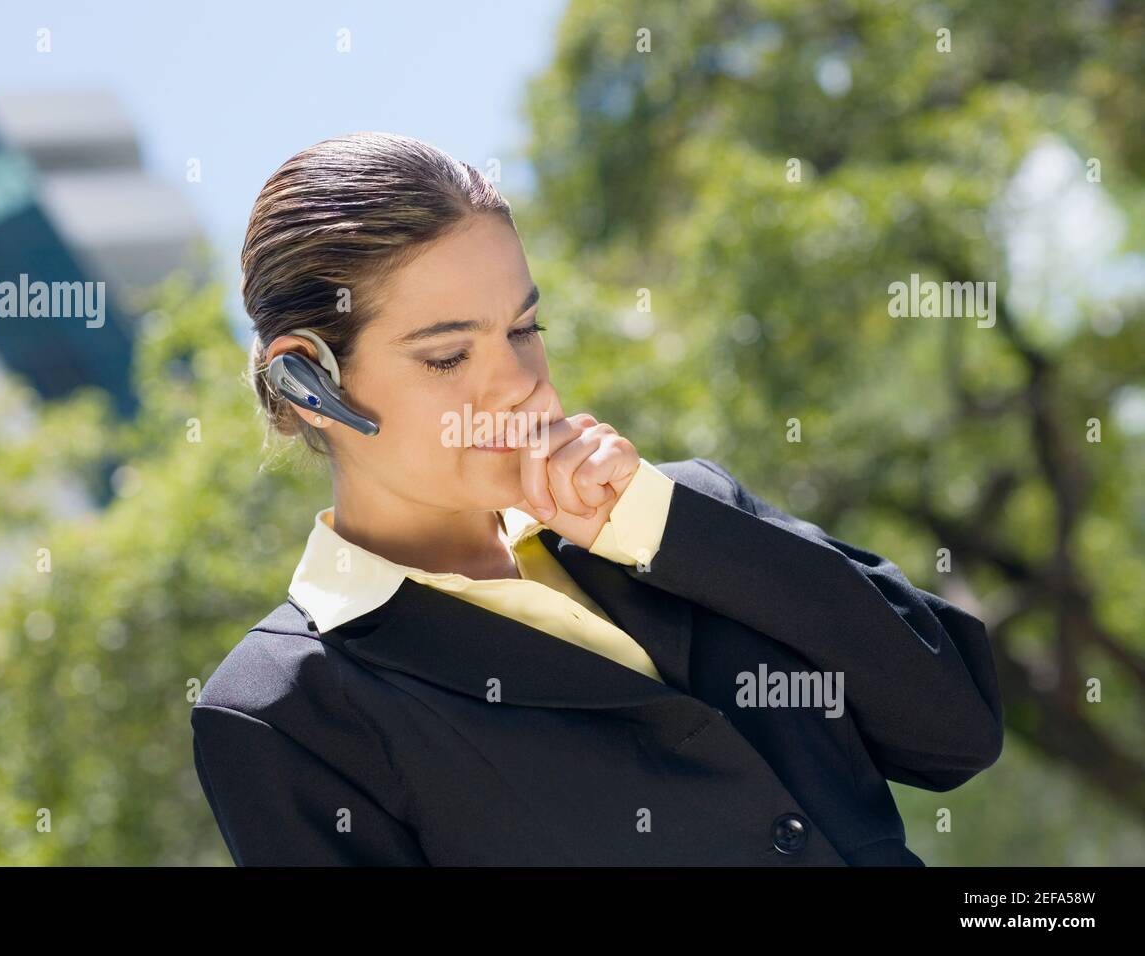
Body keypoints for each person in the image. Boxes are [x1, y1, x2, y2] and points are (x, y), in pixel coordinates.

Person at [190, 131, 1004, 866]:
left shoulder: (676, 512)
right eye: (447, 356)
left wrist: (666, 528)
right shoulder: (284, 708)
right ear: (309, 382)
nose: (520, 385)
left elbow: (956, 729)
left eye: (523, 329)